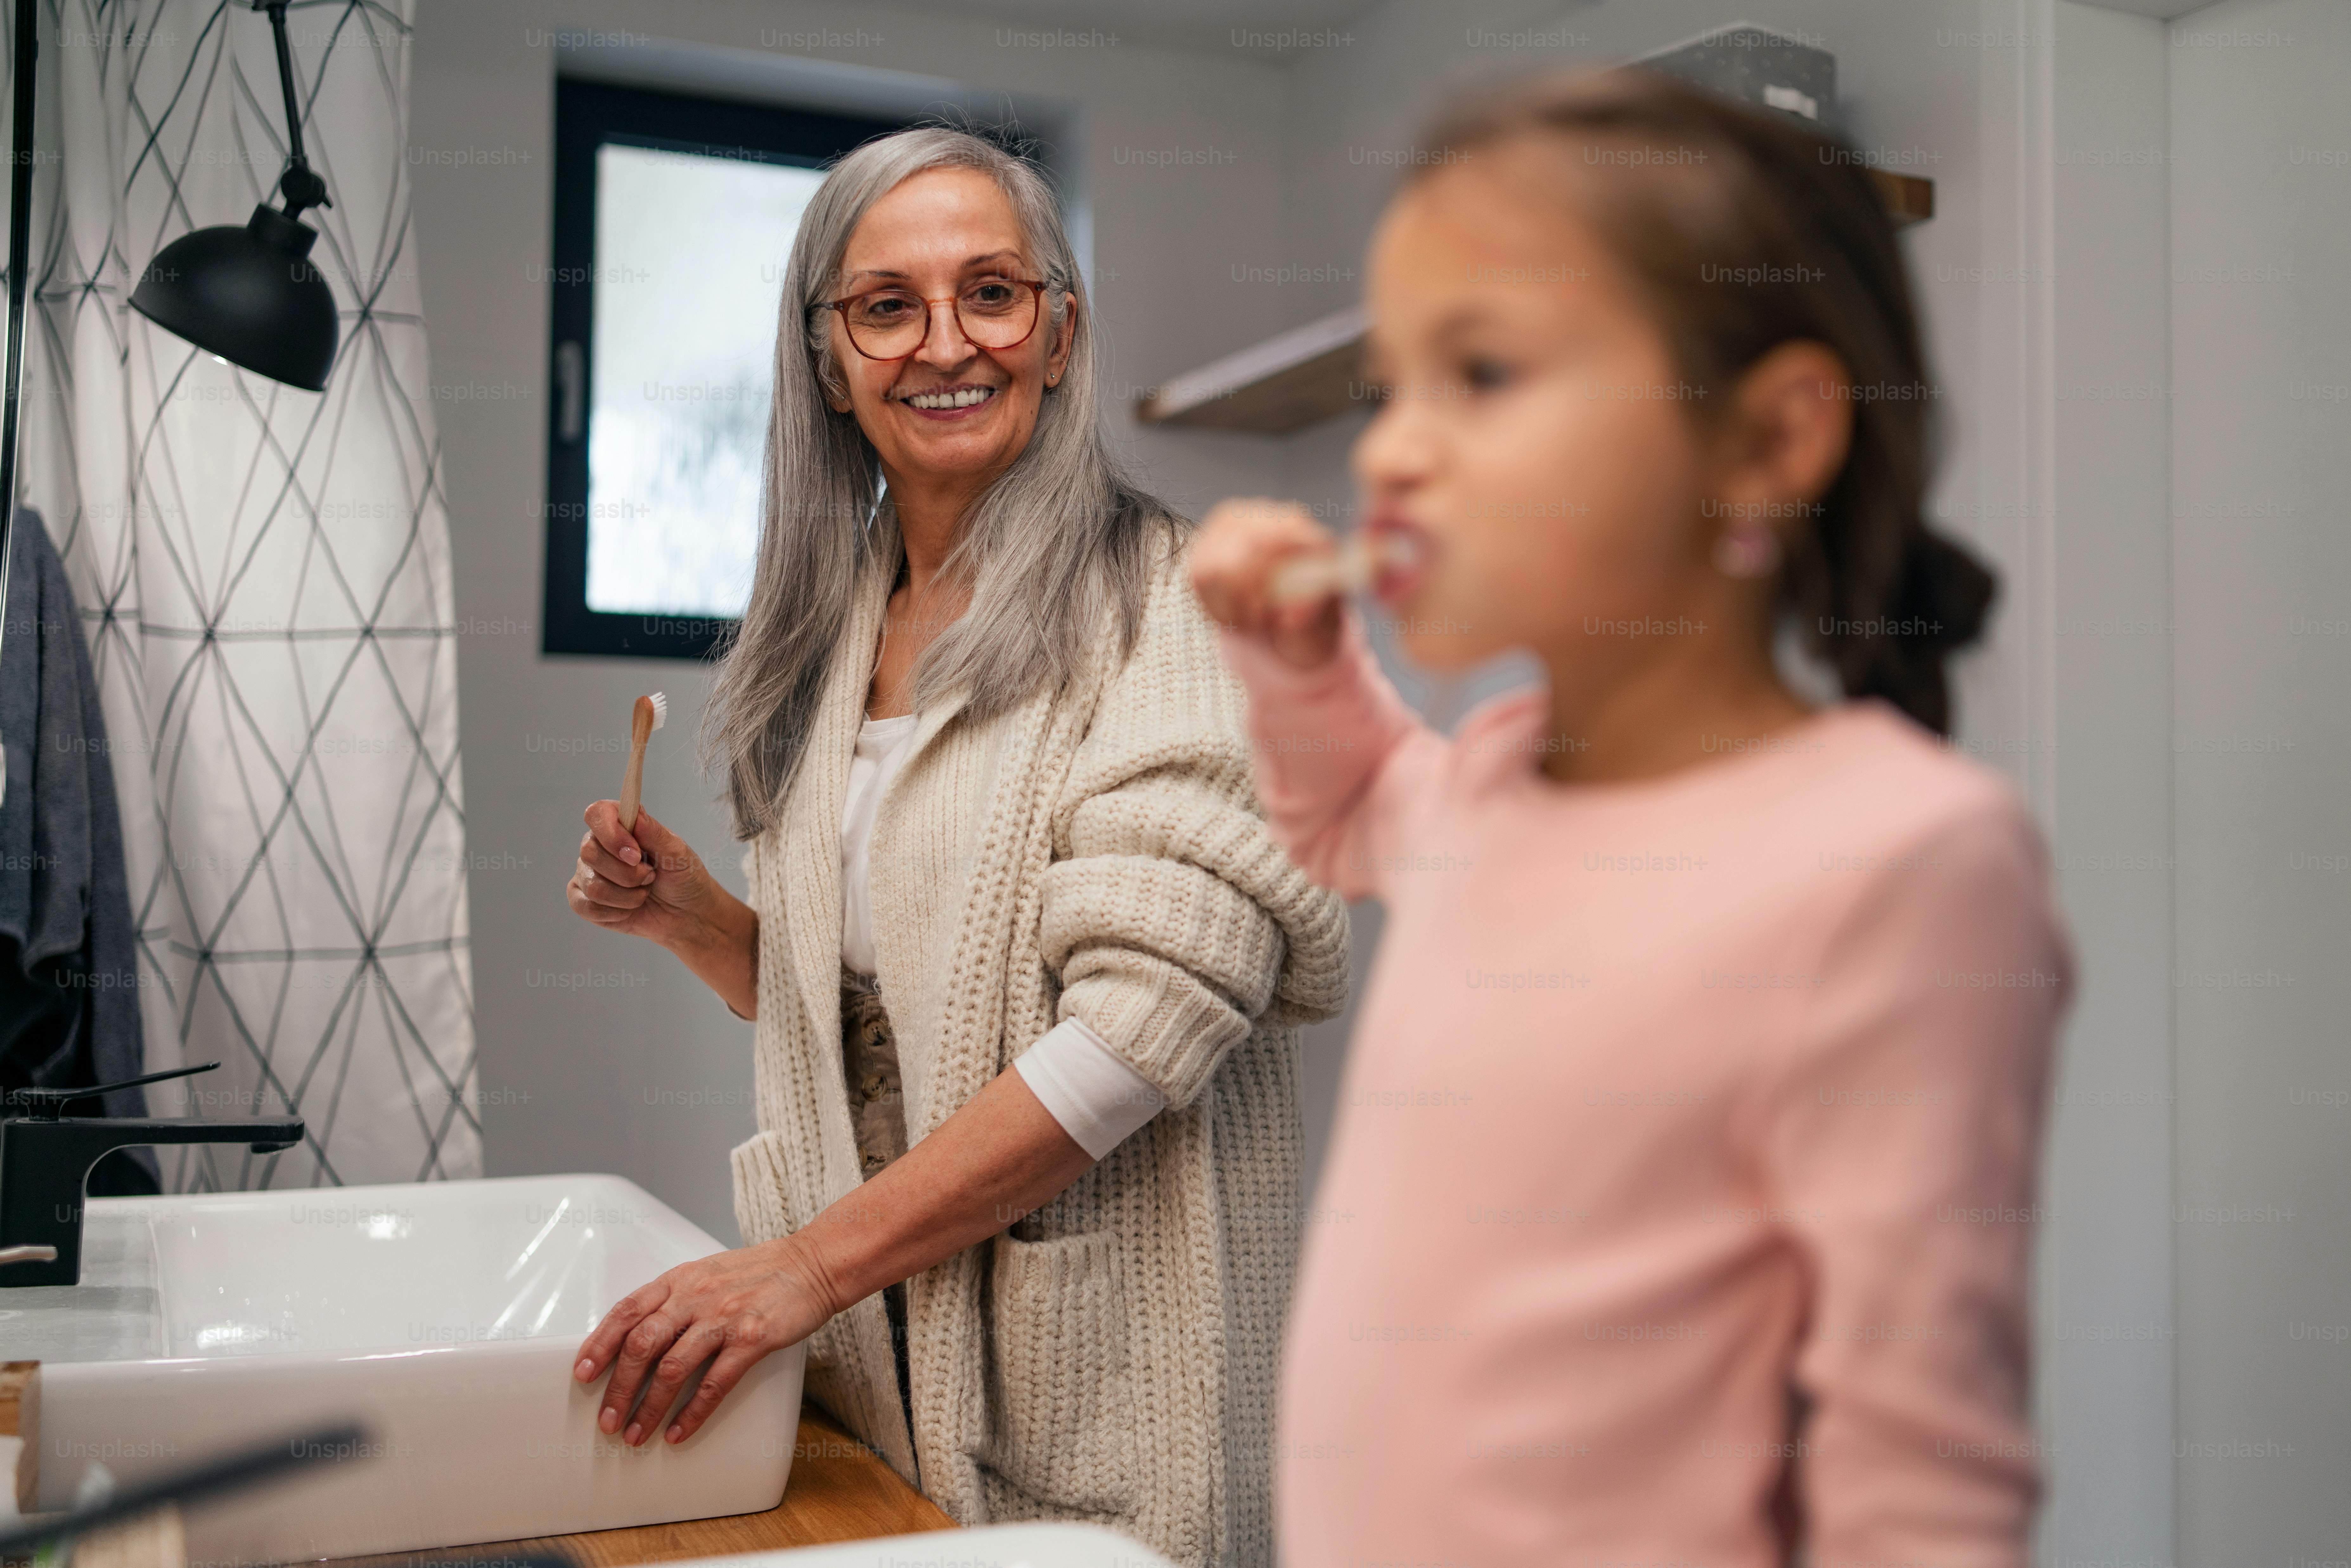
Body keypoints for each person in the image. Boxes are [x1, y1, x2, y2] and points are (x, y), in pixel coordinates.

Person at [1190, 69, 2072, 1568]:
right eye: (1386, 386)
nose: (1386, 452)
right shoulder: (1494, 771)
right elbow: (1342, 812)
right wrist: (1297, 667)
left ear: (1766, 443)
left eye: (1478, 375)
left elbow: (1918, 1489)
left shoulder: (1903, 861)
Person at [562, 127, 1348, 1567]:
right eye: (886, 304)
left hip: (1106, 1377)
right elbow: (888, 1022)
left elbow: (1136, 1027)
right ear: (827, 357)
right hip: (881, 1372)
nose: (946, 344)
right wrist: (702, 923)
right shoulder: (832, 630)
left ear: (1060, 332)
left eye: (992, 292)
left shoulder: (1182, 601)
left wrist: (799, 1267)